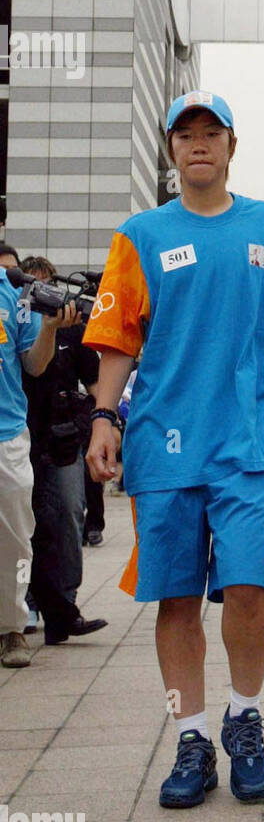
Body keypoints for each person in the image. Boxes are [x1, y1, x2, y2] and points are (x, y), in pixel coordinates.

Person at [84, 90, 264, 807]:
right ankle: (191, 735)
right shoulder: (139, 235)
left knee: (251, 584)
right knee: (178, 595)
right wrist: (103, 418)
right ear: (169, 149)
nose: (198, 144)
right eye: (184, 134)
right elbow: (119, 339)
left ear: (230, 145)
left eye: (210, 133)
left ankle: (244, 719)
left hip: (247, 439)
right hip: (163, 441)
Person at [20, 255, 108, 646]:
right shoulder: (16, 325)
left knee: (71, 514)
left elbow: (96, 382)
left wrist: (107, 424)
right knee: (28, 527)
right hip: (23, 437)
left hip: (63, 435)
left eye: (48, 286)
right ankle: (30, 608)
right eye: (34, 288)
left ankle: (65, 603)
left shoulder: (75, 331)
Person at [0, 245, 78, 668]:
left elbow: (34, 365)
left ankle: (12, 629)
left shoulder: (14, 295)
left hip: (7, 433)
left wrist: (49, 328)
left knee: (14, 537)